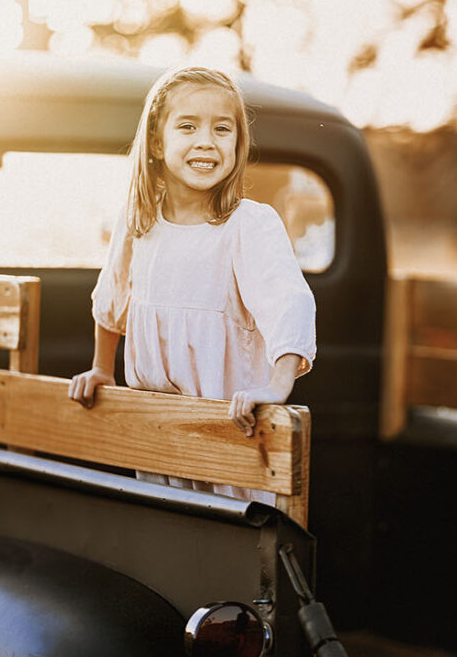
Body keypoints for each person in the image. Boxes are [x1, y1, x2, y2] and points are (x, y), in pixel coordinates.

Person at [67, 66, 316, 505]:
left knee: (229, 542)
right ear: (158, 142)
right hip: (157, 437)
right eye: (188, 126)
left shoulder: (248, 226)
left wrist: (277, 386)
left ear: (238, 144)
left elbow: (288, 303)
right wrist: (102, 367)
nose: (206, 141)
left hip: (231, 435)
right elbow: (112, 298)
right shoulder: (138, 221)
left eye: (222, 129)